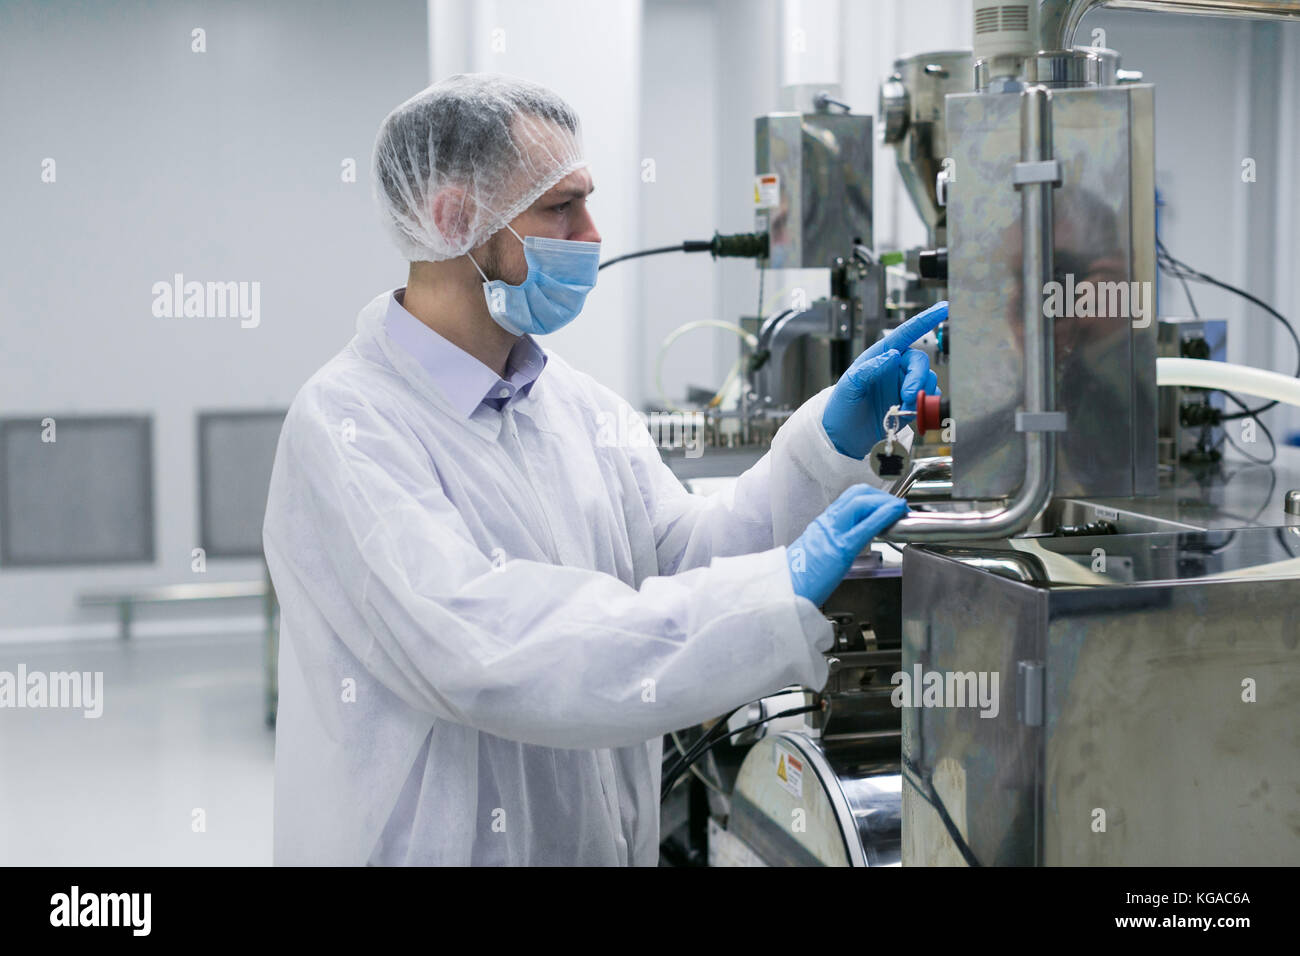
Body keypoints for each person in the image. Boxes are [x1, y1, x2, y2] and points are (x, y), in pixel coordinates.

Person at [262, 73, 945, 866]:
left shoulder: (575, 404)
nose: (592, 235)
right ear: (454, 218)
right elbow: (494, 649)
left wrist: (823, 448)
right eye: (561, 207)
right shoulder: (348, 426)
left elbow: (685, 553)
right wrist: (770, 597)